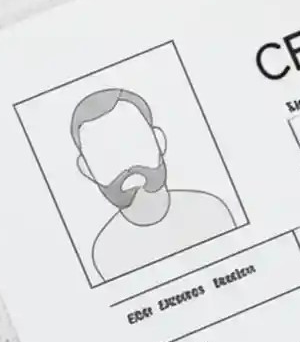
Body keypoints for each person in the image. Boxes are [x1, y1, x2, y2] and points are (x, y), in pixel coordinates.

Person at [70, 88, 235, 282]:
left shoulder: (212, 212)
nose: (128, 166)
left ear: (159, 140)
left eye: (135, 142)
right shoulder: (106, 255)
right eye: (107, 155)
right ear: (87, 169)